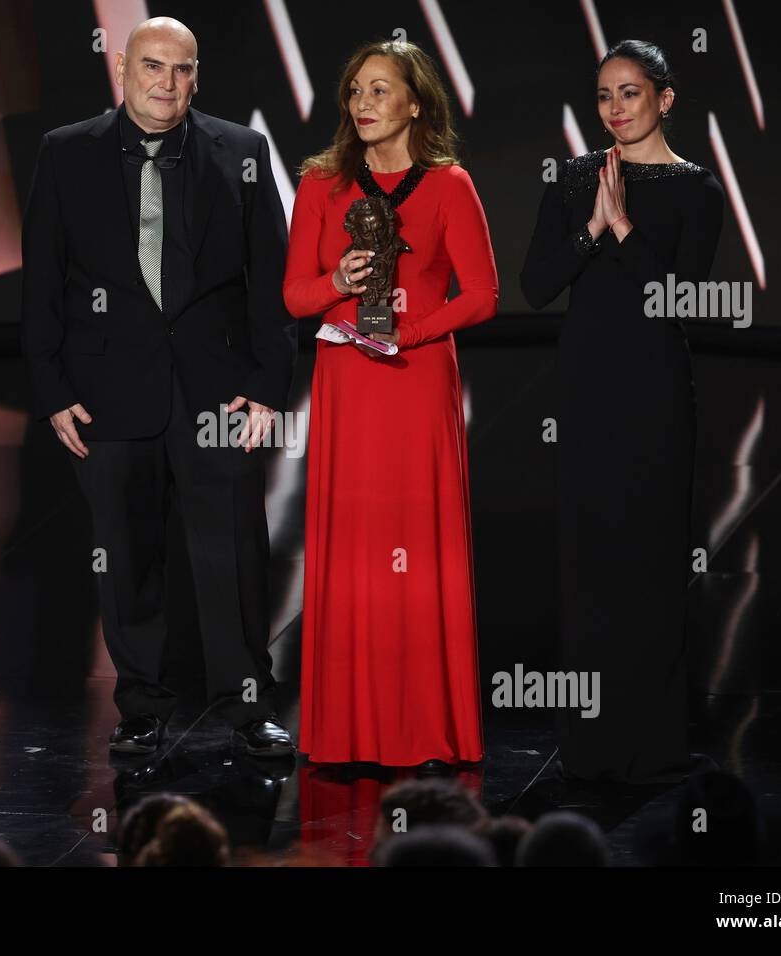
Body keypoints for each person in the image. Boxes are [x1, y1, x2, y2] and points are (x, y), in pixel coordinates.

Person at [21, 18, 296, 757]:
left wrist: (269, 385)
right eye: (151, 66)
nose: (165, 83)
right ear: (121, 67)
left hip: (219, 393)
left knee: (233, 553)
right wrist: (50, 389)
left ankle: (247, 707)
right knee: (126, 555)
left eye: (180, 70)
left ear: (196, 76)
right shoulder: (66, 152)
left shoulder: (240, 150)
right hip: (107, 392)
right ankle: (142, 704)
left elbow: (270, 281)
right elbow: (43, 283)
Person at [283, 40, 498, 769]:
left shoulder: (450, 185)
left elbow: (482, 295)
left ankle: (424, 729)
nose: (363, 103)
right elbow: (293, 295)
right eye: (354, 91)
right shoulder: (321, 184)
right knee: (354, 548)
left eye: (380, 90)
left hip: (415, 380)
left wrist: (409, 331)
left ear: (415, 102)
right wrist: (339, 280)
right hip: (347, 380)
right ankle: (347, 733)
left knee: (418, 541)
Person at [520, 40, 724, 783]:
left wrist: (629, 231)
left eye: (630, 93)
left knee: (651, 564)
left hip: (657, 395)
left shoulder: (696, 189)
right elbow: (537, 285)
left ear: (664, 99)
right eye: (604, 94)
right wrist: (592, 230)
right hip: (586, 391)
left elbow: (684, 302)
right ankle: (594, 741)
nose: (615, 108)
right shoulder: (576, 178)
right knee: (590, 562)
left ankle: (653, 742)